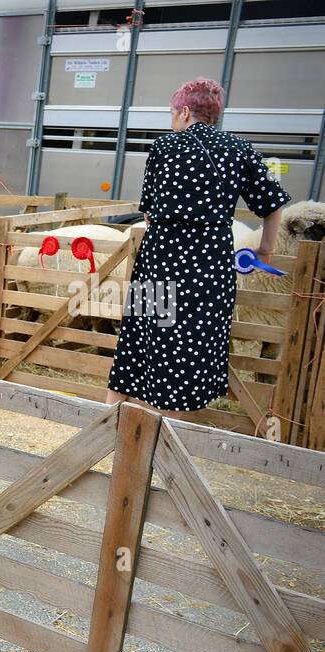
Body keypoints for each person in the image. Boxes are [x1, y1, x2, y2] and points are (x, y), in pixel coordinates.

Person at [106, 77, 290, 417]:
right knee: (192, 341)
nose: (171, 120)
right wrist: (265, 250)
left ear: (185, 112)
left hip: (161, 253)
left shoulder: (163, 148)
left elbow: (149, 212)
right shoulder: (240, 149)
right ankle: (172, 425)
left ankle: (111, 411)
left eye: (172, 113)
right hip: (210, 260)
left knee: (141, 331)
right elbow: (273, 204)